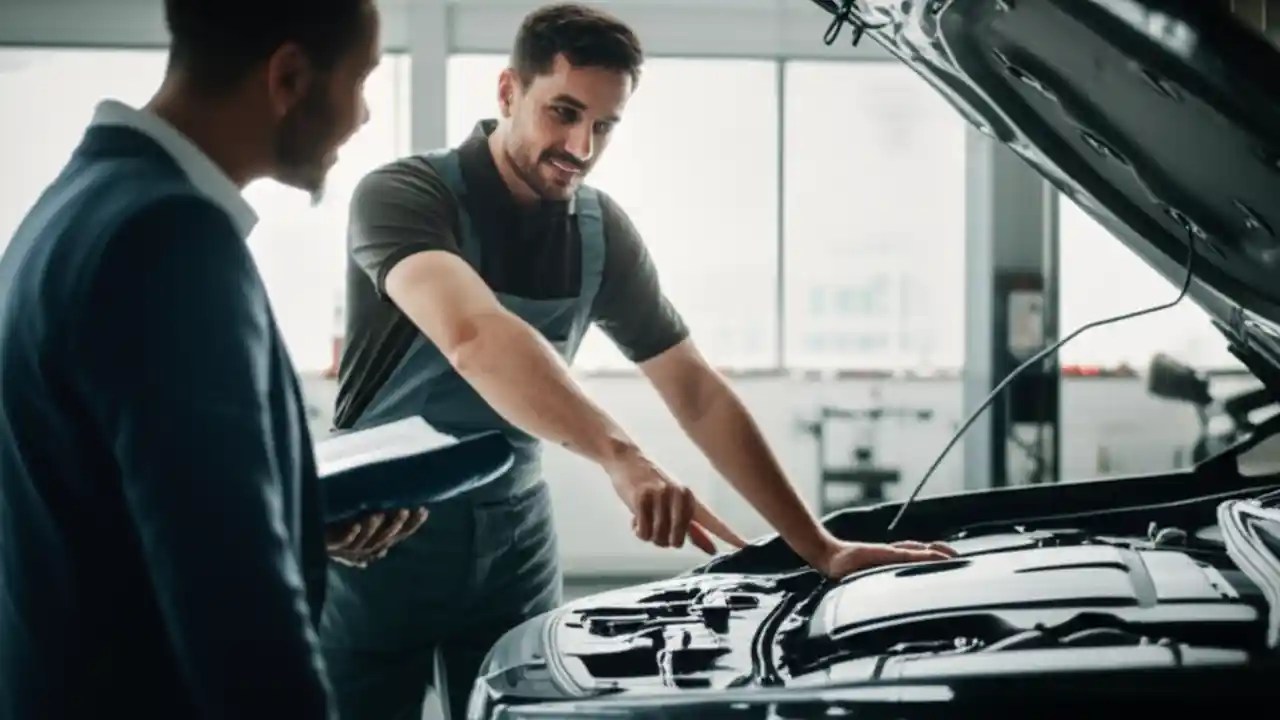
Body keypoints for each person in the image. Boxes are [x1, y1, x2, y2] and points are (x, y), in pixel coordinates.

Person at [322, 3, 956, 718]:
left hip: (513, 537)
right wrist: (624, 457)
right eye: (562, 112)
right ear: (507, 92)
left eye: (604, 125)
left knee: (522, 709)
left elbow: (696, 392)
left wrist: (821, 546)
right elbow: (474, 336)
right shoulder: (405, 196)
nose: (581, 146)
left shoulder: (601, 234)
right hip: (380, 535)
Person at [0, 1, 424, 717]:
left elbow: (102, 496)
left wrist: (289, 521)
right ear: (289, 76)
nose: (361, 117)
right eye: (359, 81)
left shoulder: (72, 206)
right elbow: (232, 600)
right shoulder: (171, 240)